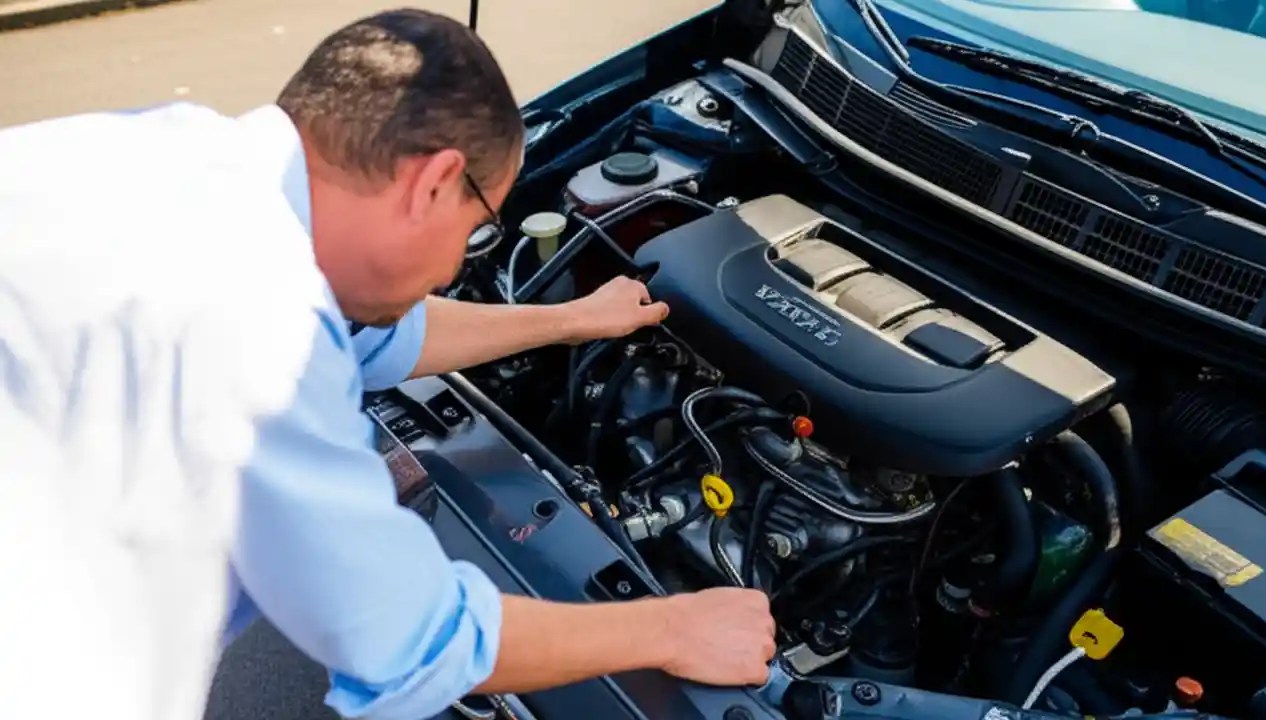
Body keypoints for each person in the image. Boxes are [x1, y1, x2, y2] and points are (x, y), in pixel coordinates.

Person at [0, 8, 776, 720]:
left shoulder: (154, 152)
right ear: (435, 180)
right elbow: (408, 645)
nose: (451, 269)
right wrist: (672, 626)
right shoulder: (257, 315)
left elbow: (373, 337)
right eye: (477, 224)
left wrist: (565, 320)